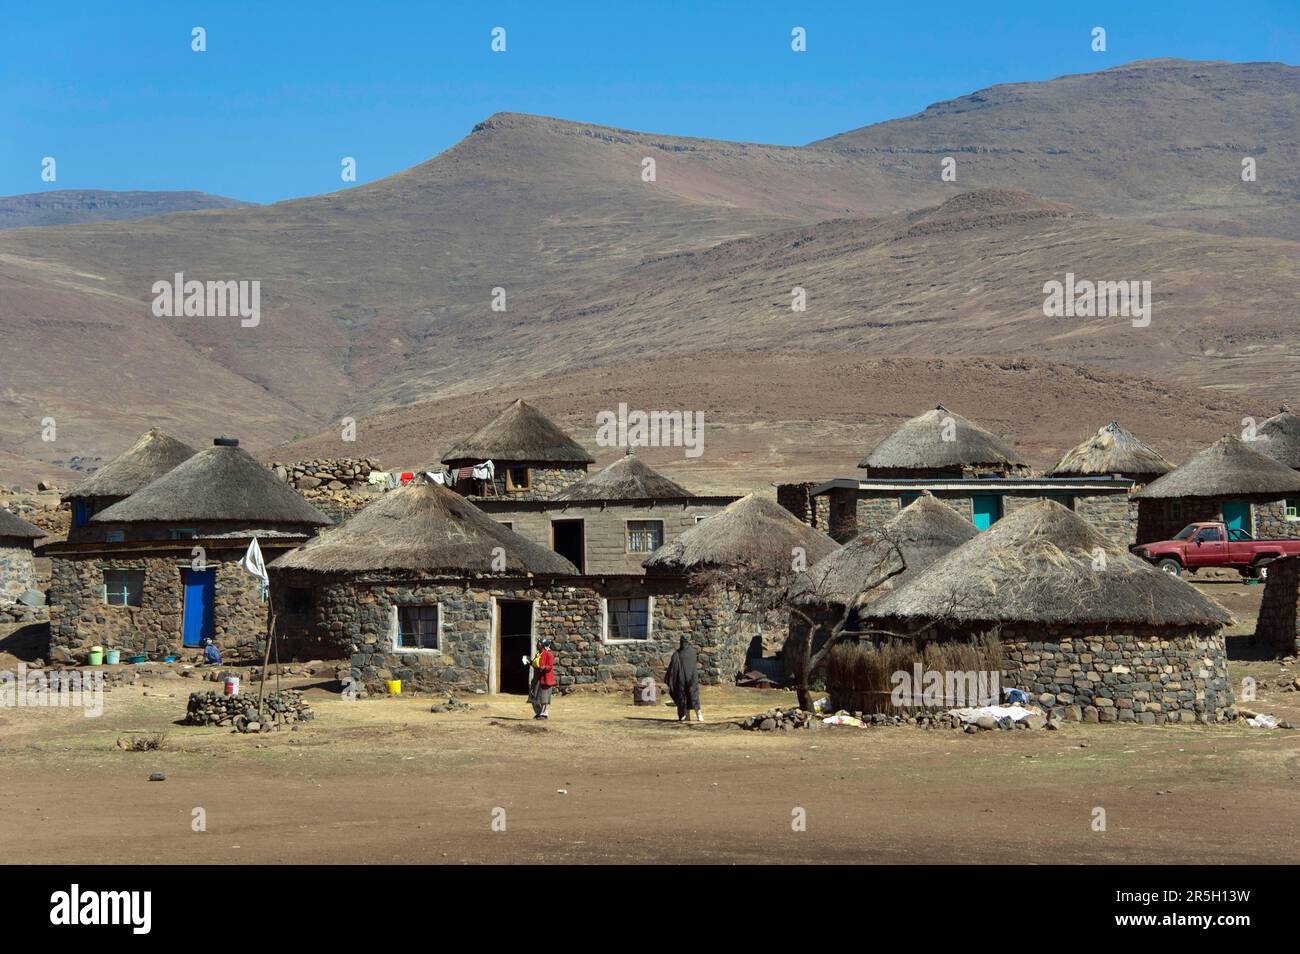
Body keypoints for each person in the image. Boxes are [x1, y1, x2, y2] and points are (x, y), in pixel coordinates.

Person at [664, 636, 702, 722]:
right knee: (683, 697)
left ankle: (699, 714)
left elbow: (692, 666)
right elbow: (673, 667)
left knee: (693, 696)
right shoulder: (677, 654)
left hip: (691, 679)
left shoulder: (692, 652)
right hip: (681, 679)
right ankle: (687, 715)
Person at [524, 639, 556, 719]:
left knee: (543, 697)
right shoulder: (538, 654)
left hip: (544, 678)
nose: (536, 645)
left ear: (542, 645)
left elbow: (550, 666)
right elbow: (536, 664)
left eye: (538, 643)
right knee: (533, 696)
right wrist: (530, 662)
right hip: (536, 678)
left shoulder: (548, 654)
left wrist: (544, 667)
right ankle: (538, 713)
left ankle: (544, 714)